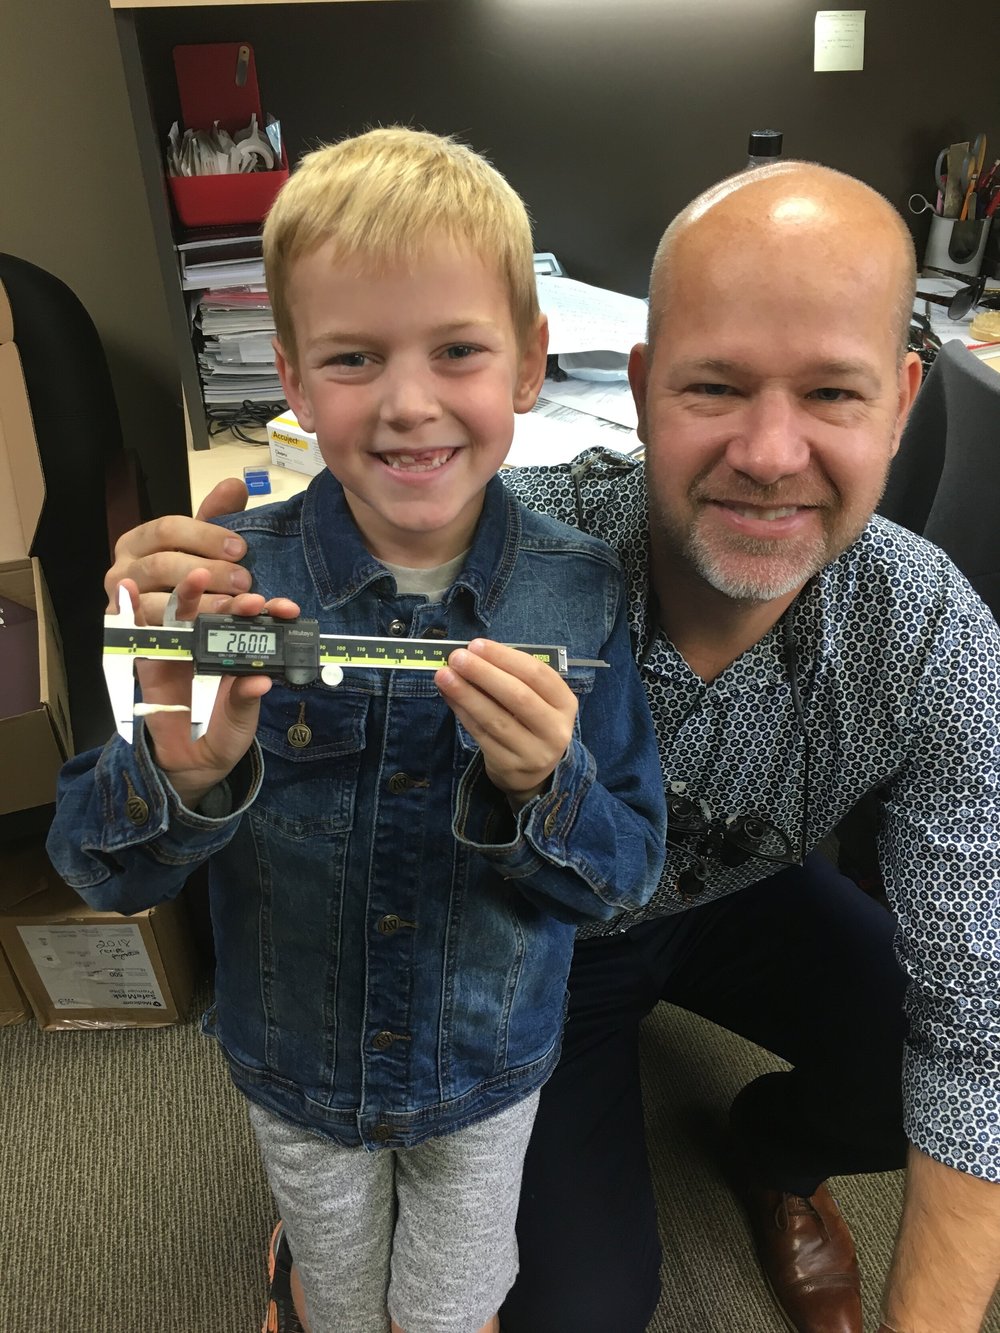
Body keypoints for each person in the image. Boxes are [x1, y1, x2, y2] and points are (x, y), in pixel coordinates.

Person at [99, 161, 1000, 1333]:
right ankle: (336, 1216)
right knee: (565, 1311)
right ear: (640, 389)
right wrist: (202, 598)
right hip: (521, 931)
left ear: (901, 399)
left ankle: (771, 1155)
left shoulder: (932, 632)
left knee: (925, 1068)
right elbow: (365, 511)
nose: (771, 453)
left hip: (740, 891)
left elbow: (978, 1038)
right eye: (714, 385)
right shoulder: (520, 548)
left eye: (832, 393)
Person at [45, 127, 667, 1333]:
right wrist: (176, 774)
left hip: (486, 1072)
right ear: (288, 373)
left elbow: (626, 867)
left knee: (446, 1312)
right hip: (298, 1069)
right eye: (351, 357)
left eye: (457, 351)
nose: (407, 402)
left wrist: (548, 786)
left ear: (530, 363)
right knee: (338, 1301)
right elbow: (96, 866)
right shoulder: (221, 590)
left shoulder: (581, 596)